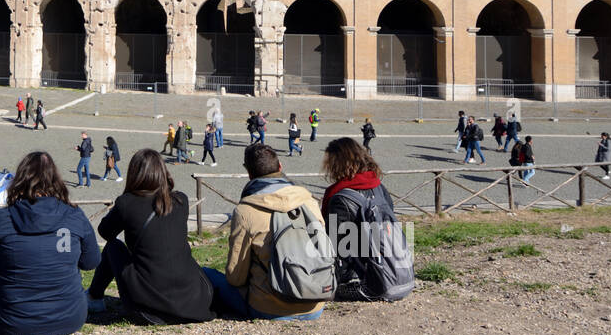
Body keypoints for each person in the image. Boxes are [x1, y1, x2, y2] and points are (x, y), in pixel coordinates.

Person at [0, 151, 101, 335]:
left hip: (13, 323)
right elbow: (91, 262)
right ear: (55, 179)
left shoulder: (3, 218)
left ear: (20, 180)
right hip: (70, 318)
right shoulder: (74, 215)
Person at [86, 148, 214, 324]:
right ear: (162, 172)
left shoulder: (127, 203)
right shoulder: (180, 201)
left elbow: (105, 232)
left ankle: (94, 297)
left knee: (113, 247)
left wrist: (122, 204)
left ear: (134, 174)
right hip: (193, 302)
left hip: (149, 310)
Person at [201, 143, 326, 321]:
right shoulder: (309, 201)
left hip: (269, 308)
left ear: (249, 174)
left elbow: (236, 277)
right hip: (315, 303)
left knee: (208, 273)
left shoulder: (246, 211)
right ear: (280, 166)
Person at [320, 138, 414, 302]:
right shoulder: (378, 186)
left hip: (368, 281)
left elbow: (334, 245)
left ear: (337, 163)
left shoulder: (340, 197)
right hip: (397, 270)